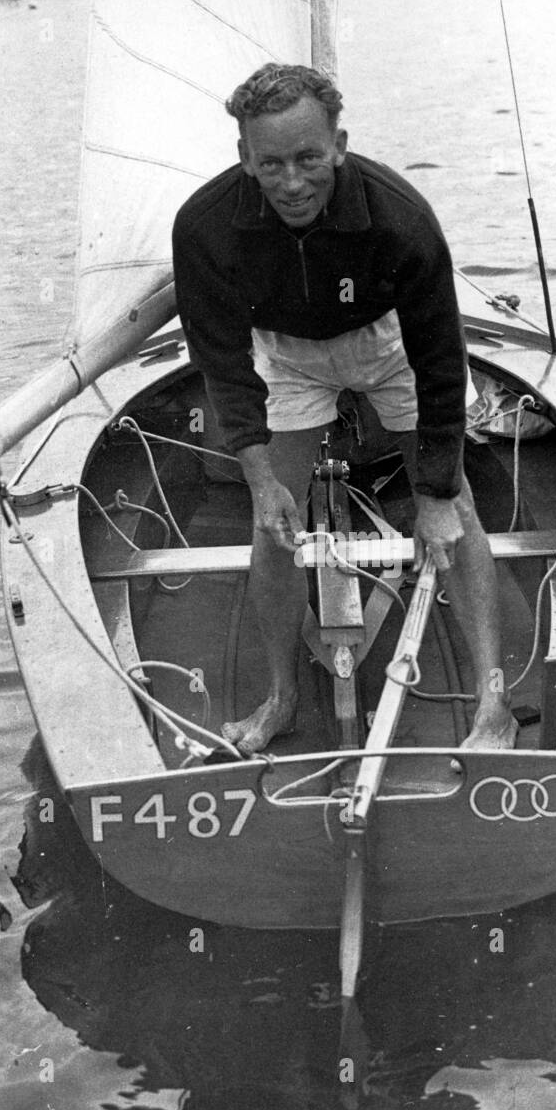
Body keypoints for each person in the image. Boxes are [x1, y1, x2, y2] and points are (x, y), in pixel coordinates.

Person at [172, 64, 517, 756]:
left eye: (308, 158)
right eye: (270, 163)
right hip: (290, 352)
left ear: (339, 144)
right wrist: (262, 477)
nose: (292, 182)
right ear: (244, 157)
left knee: (458, 511)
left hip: (385, 343)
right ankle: (281, 698)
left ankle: (494, 701)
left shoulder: (400, 217)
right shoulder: (205, 227)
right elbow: (224, 365)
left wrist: (435, 494)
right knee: (273, 527)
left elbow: (442, 365)